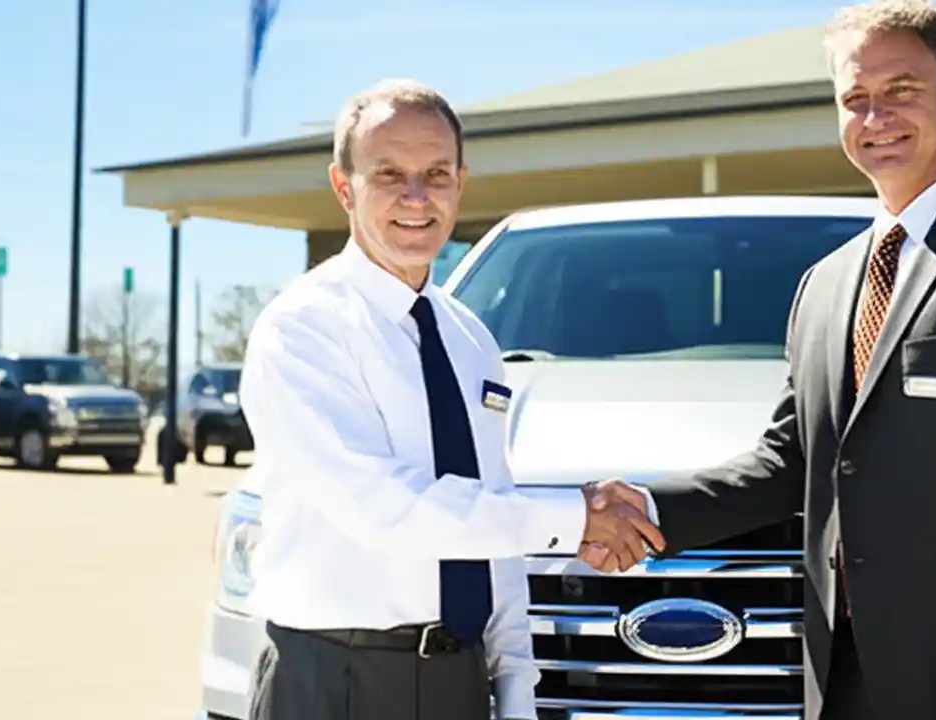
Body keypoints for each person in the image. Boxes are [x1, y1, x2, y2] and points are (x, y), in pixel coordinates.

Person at [584, 1, 936, 718]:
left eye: (901, 91)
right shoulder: (826, 283)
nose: (876, 117)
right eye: (855, 99)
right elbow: (793, 461)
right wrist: (650, 510)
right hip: (845, 678)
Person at [238, 79, 663, 720]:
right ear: (343, 186)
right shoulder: (302, 329)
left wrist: (515, 686)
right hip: (333, 681)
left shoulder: (471, 341)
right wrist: (575, 518)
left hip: (458, 684)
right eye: (389, 174)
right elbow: (384, 508)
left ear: (461, 181)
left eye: (436, 172)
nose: (417, 196)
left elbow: (490, 514)